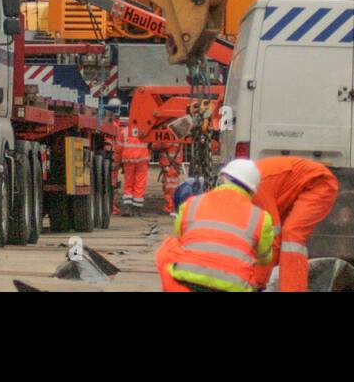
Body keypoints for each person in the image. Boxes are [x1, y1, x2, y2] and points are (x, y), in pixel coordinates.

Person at [155, 159, 274, 292]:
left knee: (170, 245)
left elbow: (181, 237)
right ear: (252, 191)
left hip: (186, 283)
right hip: (233, 287)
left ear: (222, 178)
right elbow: (265, 258)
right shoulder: (261, 218)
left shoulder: (191, 204)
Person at [252, 156, 339, 292]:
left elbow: (272, 239)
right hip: (295, 187)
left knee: (292, 235)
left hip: (318, 184)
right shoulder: (248, 187)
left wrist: (258, 283)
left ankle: (292, 289)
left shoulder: (256, 190)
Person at [118, 118, 150, 214]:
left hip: (128, 160)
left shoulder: (124, 131)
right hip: (142, 159)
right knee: (140, 183)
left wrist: (117, 161)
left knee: (128, 182)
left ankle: (127, 206)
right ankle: (137, 208)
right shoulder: (146, 130)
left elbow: (119, 147)